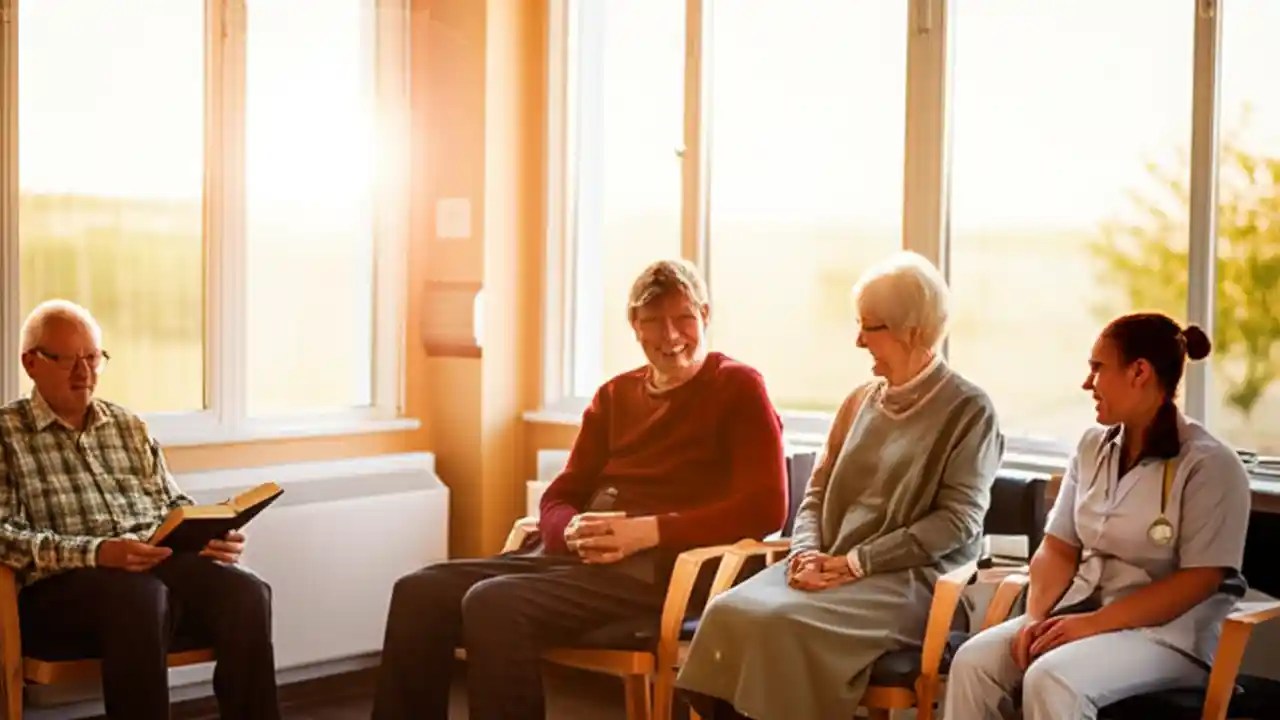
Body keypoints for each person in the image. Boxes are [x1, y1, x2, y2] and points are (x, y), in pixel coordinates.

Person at [372, 258, 788, 720]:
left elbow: (766, 507)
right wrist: (567, 530)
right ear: (635, 326)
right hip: (573, 563)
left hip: (657, 575)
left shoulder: (738, 386)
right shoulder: (615, 395)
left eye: (683, 319)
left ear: (705, 316)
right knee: (418, 591)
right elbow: (559, 494)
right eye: (653, 322)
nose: (671, 336)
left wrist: (648, 532)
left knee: (494, 604)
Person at [676, 251, 1005, 720]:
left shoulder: (970, 411)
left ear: (911, 331)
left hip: (908, 579)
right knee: (726, 612)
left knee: (779, 624)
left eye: (869, 327)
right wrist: (807, 553)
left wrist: (856, 562)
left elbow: (957, 522)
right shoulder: (859, 401)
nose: (857, 340)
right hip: (826, 565)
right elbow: (816, 492)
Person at [945, 312, 1251, 720]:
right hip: (1079, 615)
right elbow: (1058, 547)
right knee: (973, 663)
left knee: (1050, 677)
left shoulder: (1209, 465)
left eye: (1097, 369)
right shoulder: (1092, 447)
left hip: (1167, 637)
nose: (1087, 384)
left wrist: (1093, 625)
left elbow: (1199, 580)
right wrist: (1034, 618)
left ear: (1139, 371)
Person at [0, 299, 279, 719]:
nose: (85, 374)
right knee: (139, 596)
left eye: (93, 358)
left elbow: (172, 502)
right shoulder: (7, 433)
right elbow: (5, 535)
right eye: (70, 361)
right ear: (31, 363)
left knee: (247, 590)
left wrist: (211, 534)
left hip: (153, 563)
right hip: (63, 585)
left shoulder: (129, 426)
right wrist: (98, 553)